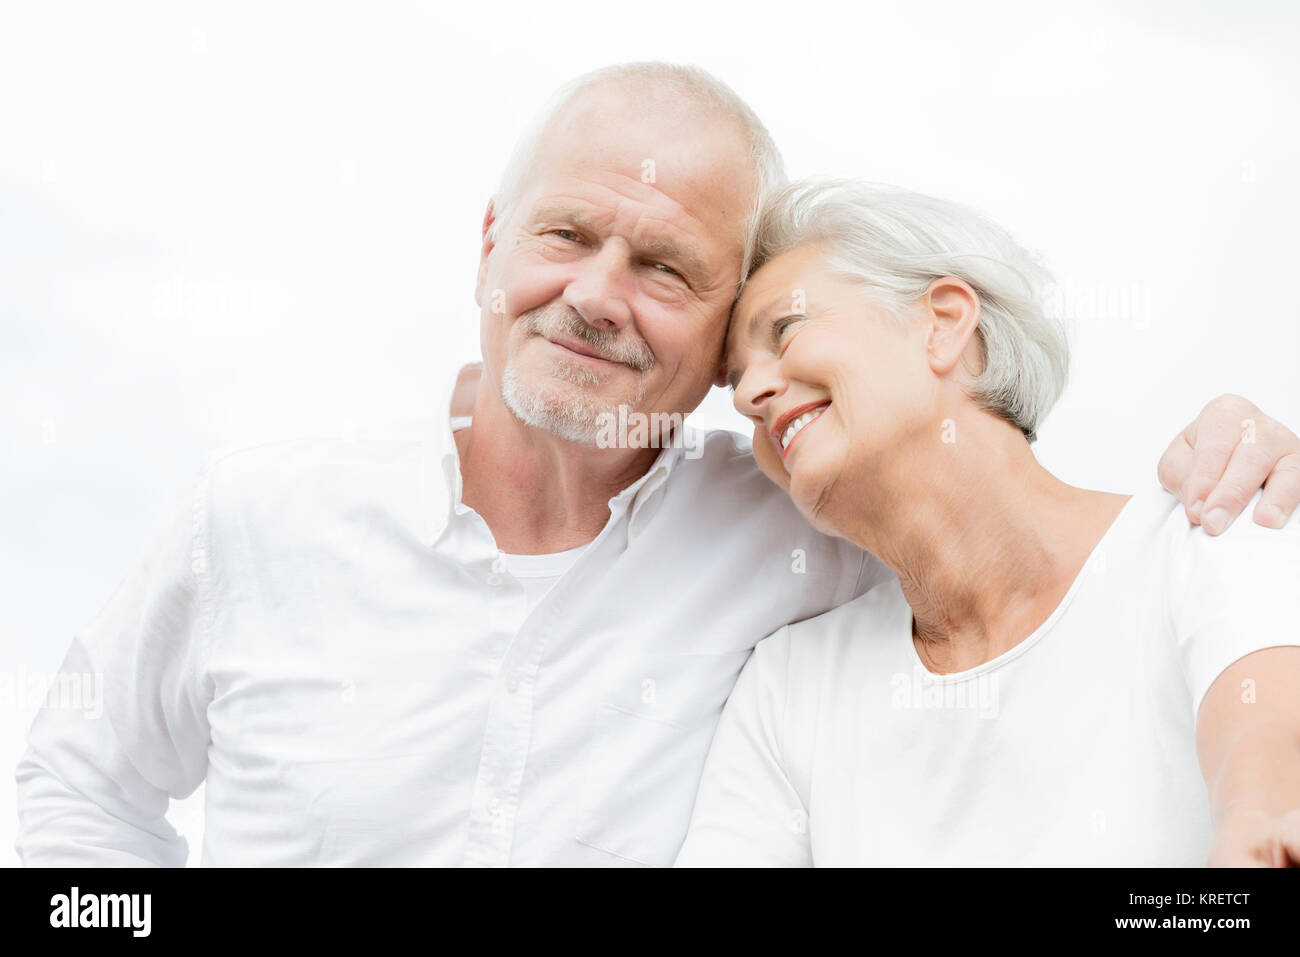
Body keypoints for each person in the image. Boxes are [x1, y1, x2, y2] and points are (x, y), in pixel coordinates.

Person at [15, 64, 1300, 867]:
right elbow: (74, 796)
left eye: (671, 272)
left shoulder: (801, 544)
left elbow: (1056, 560)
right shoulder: (254, 518)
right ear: (487, 246)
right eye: (566, 234)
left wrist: (1242, 445)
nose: (595, 295)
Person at [676, 179, 1300, 867]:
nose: (746, 395)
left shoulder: (1212, 526)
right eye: (736, 378)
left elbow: (1267, 737)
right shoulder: (789, 684)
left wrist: (1259, 827)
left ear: (942, 322)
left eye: (786, 331)